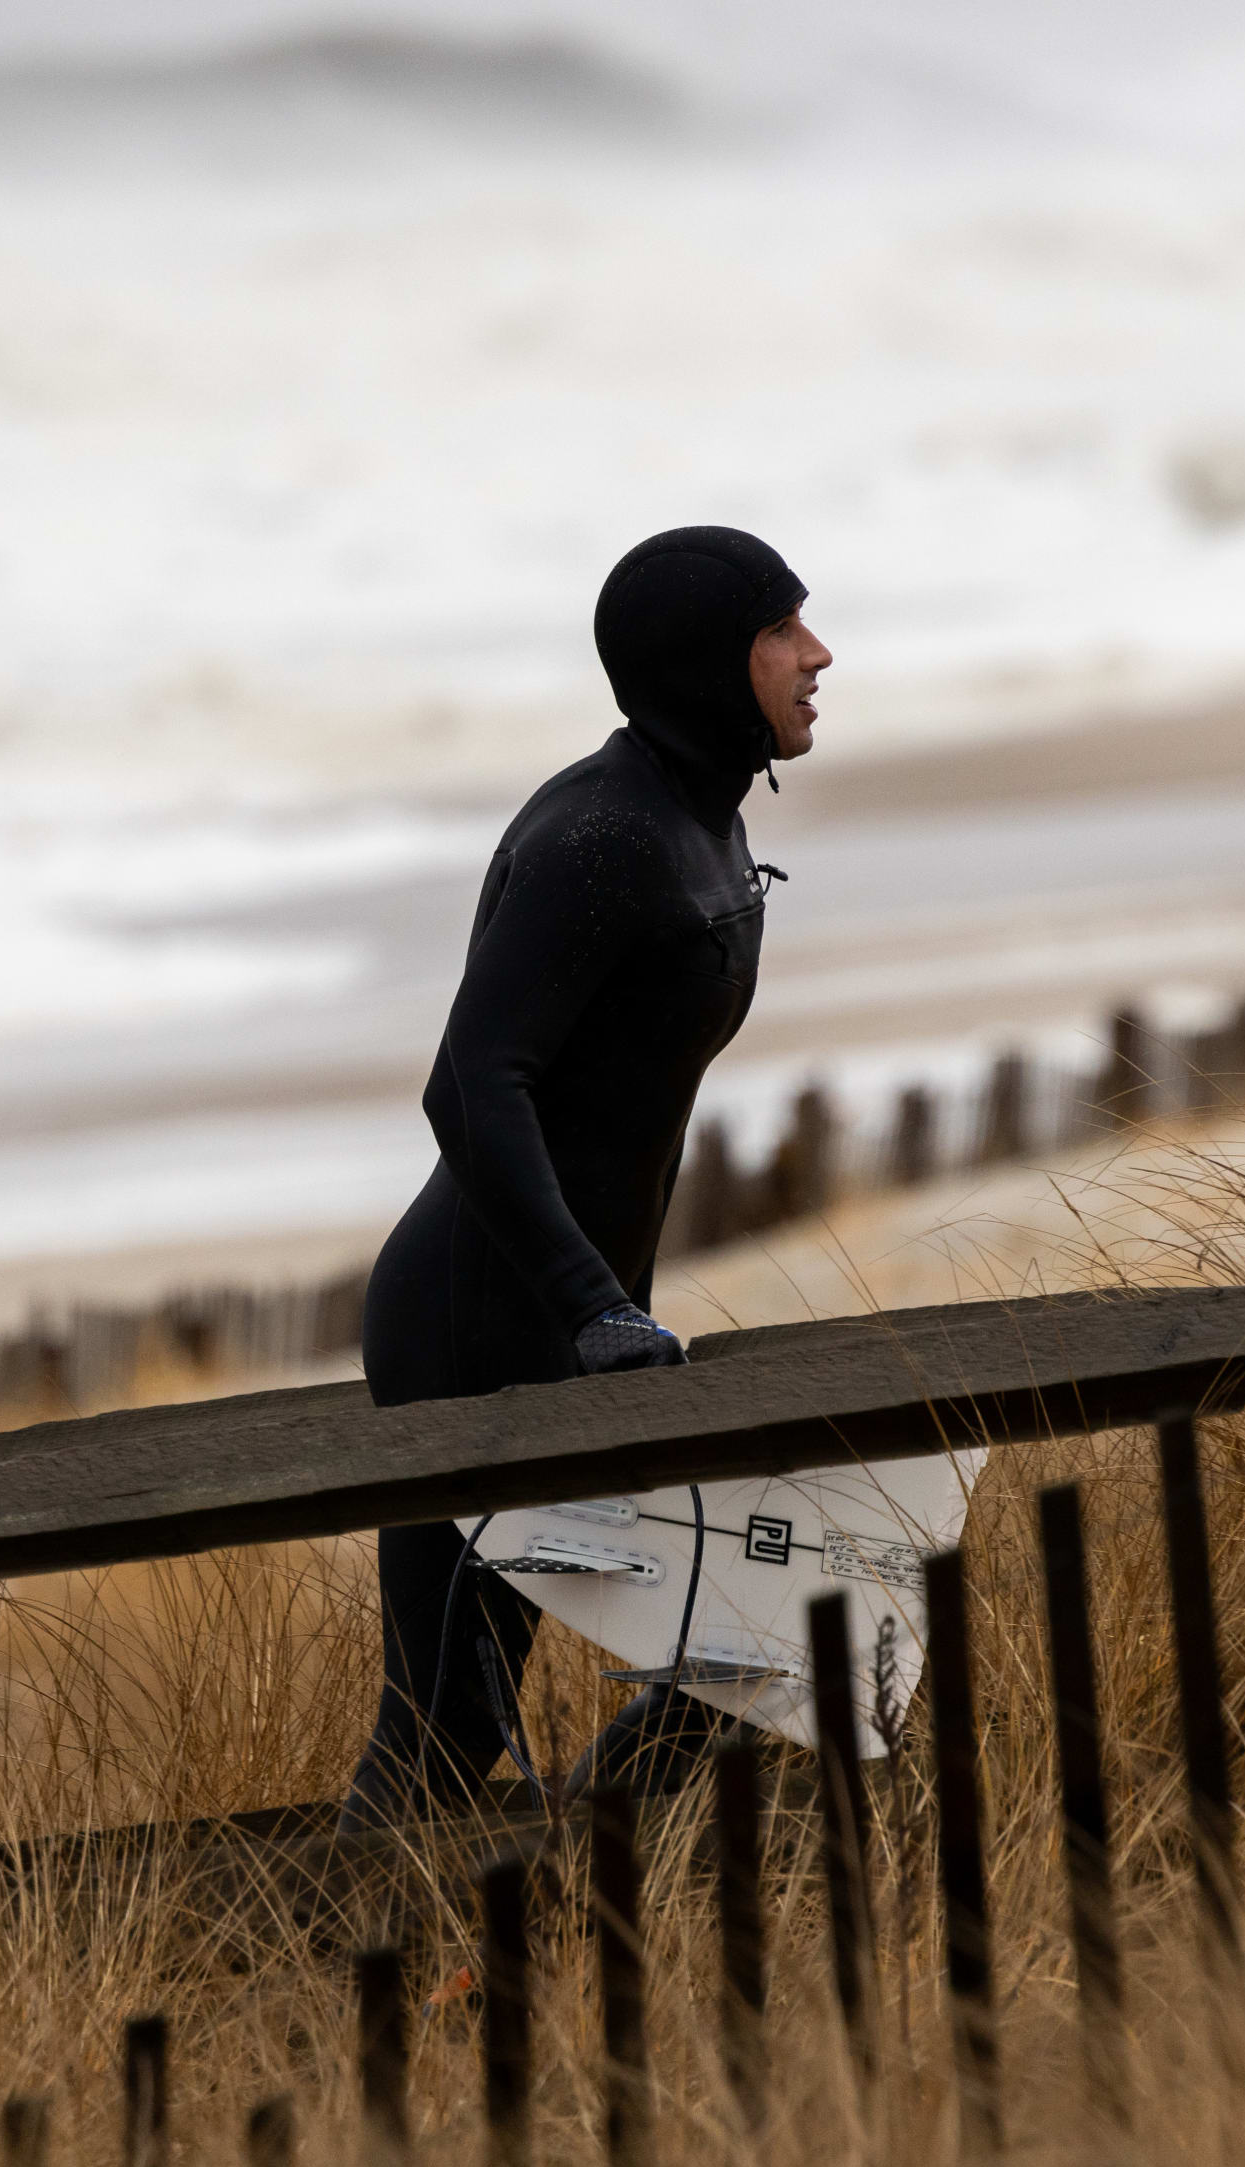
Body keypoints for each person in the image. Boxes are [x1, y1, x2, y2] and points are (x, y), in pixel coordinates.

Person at [343, 526, 830, 1827]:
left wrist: (614, 1308)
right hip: (481, 1328)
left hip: (577, 1319)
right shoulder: (602, 838)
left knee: (769, 1623)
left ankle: (565, 1871)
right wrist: (591, 1305)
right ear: (704, 665)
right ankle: (461, 1905)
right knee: (446, 1727)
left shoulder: (701, 819)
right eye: (780, 630)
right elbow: (470, 1084)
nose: (818, 654)